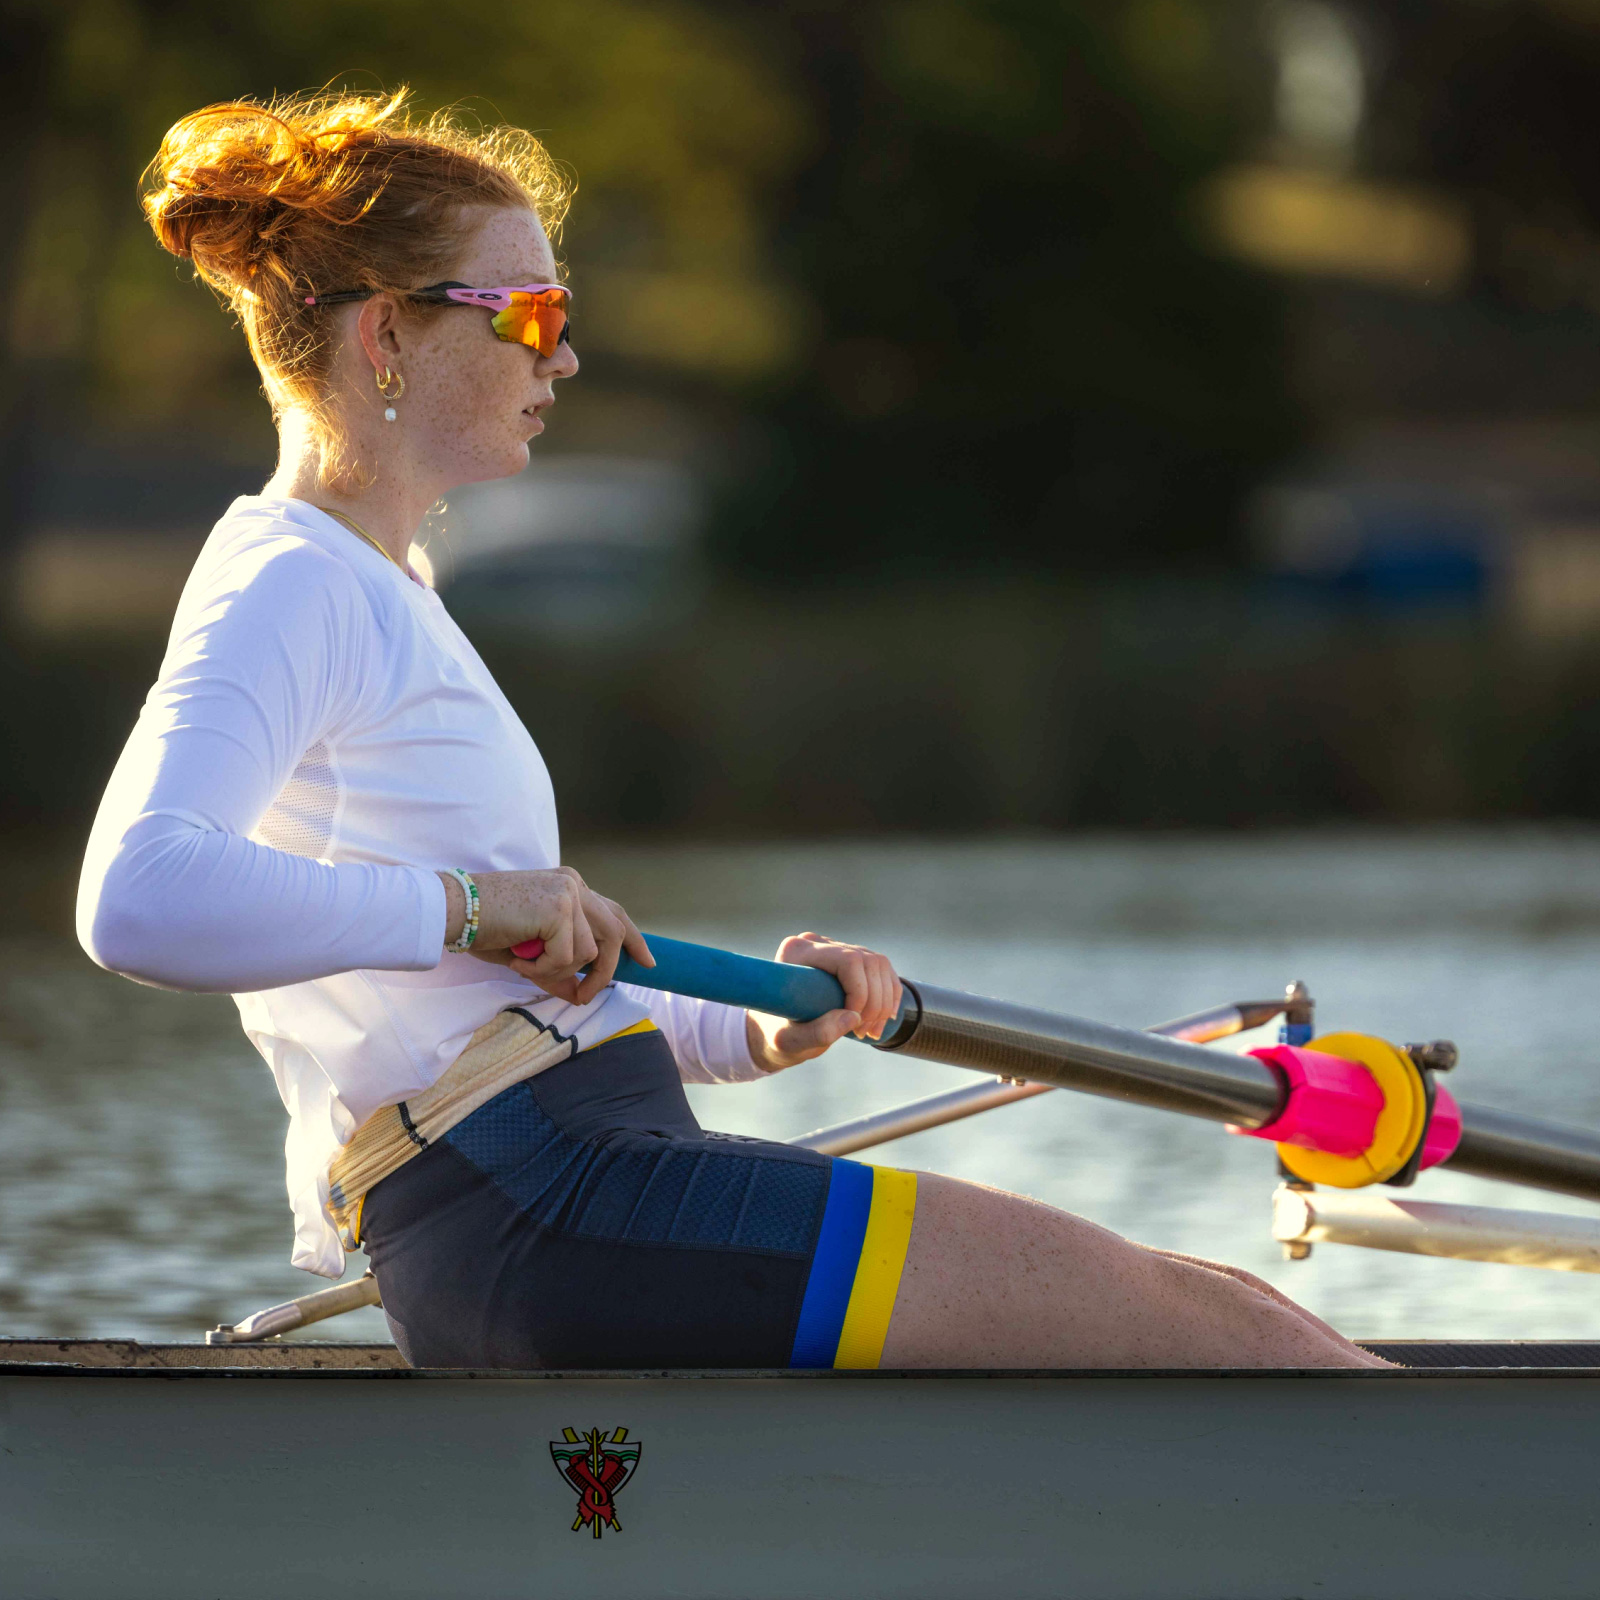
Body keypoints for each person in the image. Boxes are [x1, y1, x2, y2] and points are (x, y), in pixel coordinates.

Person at [77, 89, 1380, 1372]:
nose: (564, 356)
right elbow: (139, 898)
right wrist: (473, 906)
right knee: (1242, 1342)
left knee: (1228, 1307)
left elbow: (496, 989)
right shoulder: (289, 577)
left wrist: (756, 1028)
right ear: (386, 342)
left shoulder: (385, 585)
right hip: (542, 1203)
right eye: (531, 312)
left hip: (586, 1174)